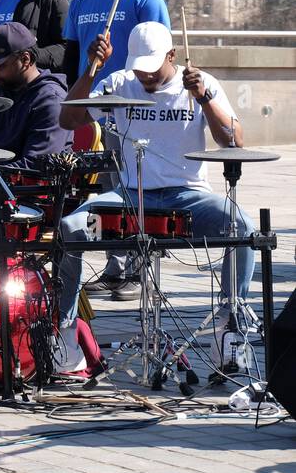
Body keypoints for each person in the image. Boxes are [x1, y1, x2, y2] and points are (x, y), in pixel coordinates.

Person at [57, 21, 252, 367]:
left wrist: (203, 98)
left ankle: (229, 327)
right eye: (139, 68)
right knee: (71, 228)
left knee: (243, 228)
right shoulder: (119, 82)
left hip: (186, 194)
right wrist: (91, 70)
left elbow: (234, 141)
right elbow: (69, 120)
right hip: (130, 196)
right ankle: (65, 332)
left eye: (152, 68)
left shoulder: (200, 84)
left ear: (172, 56)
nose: (145, 77)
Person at [62, 0, 171, 300]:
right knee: (109, 190)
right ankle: (114, 266)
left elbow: (161, 56)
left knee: (137, 188)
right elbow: (71, 55)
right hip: (96, 110)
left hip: (136, 109)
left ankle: (139, 272)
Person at [0, 22, 70, 170]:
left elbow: (35, 165)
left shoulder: (51, 101)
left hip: (24, 190)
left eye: (0, 65)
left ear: (25, 59)